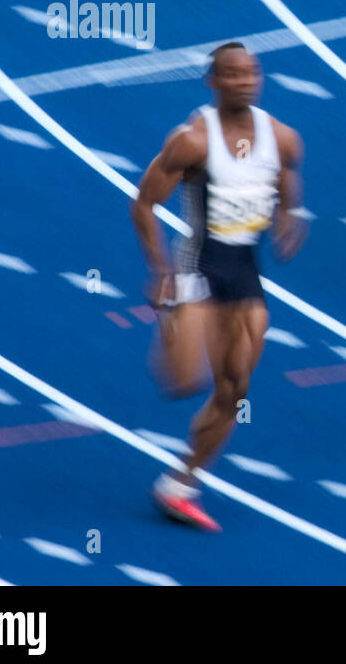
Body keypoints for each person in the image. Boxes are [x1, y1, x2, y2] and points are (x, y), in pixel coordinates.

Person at [130, 42, 307, 530]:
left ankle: (181, 484)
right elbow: (144, 204)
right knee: (183, 382)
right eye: (232, 74)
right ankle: (174, 324)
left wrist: (290, 214)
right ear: (213, 82)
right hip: (197, 267)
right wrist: (159, 269)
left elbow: (287, 177)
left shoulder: (282, 137)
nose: (244, 81)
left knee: (235, 389)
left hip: (245, 270)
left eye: (251, 73)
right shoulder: (192, 141)